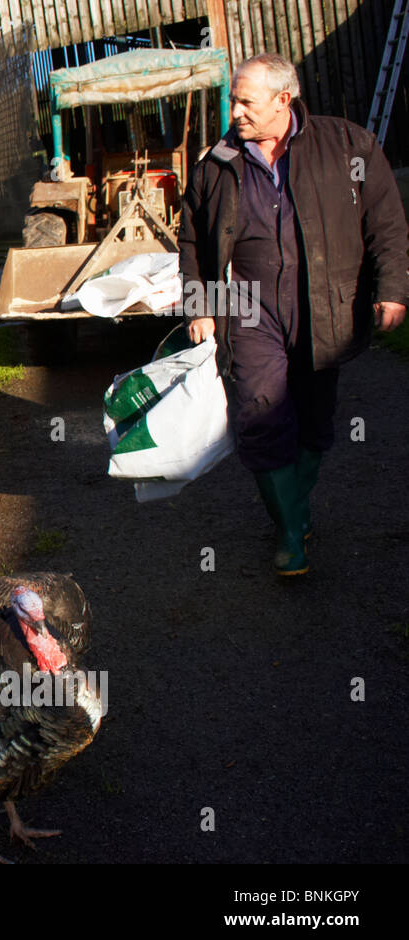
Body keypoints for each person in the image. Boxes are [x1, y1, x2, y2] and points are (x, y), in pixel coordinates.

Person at [178, 52, 408, 576]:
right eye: (233, 100)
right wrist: (200, 306)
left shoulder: (348, 145)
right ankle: (288, 534)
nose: (234, 110)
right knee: (258, 414)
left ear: (284, 100)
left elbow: (388, 224)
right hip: (246, 304)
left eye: (245, 101)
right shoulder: (217, 162)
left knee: (314, 418)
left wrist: (393, 288)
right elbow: (190, 240)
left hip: (323, 301)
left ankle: (295, 508)